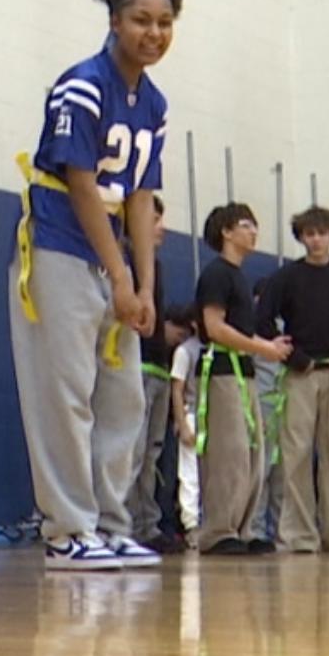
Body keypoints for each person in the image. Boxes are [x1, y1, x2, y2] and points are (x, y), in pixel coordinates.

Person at [9, 0, 177, 572]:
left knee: (123, 398)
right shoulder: (82, 85)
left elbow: (139, 196)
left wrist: (145, 284)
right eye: (140, 20)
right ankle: (66, 529)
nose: (153, 33)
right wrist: (122, 275)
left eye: (164, 23)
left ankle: (111, 523)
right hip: (59, 247)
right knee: (66, 395)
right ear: (113, 20)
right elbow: (82, 186)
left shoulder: (154, 104)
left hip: (115, 263)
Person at [255, 207, 329, 554]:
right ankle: (299, 534)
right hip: (300, 375)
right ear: (301, 238)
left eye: (322, 233)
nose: (316, 239)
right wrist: (290, 354)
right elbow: (262, 319)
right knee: (296, 453)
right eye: (309, 234)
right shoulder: (287, 276)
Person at [191, 204, 292, 555]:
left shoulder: (238, 276)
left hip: (243, 370)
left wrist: (266, 346)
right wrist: (262, 348)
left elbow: (238, 329)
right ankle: (218, 531)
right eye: (246, 225)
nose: (254, 232)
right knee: (228, 453)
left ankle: (242, 527)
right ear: (227, 233)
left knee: (252, 452)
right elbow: (215, 328)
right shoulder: (217, 274)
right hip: (222, 371)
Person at [125, 194, 183, 553]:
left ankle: (146, 525)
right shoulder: (124, 261)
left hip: (158, 368)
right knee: (131, 451)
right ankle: (123, 523)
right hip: (136, 366)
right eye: (154, 219)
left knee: (151, 453)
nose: (161, 227)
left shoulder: (154, 268)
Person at [164, 305, 204, 538]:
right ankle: (191, 526)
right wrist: (181, 421)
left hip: (216, 416)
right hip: (192, 413)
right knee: (190, 474)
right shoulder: (184, 351)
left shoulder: (216, 349)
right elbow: (177, 389)